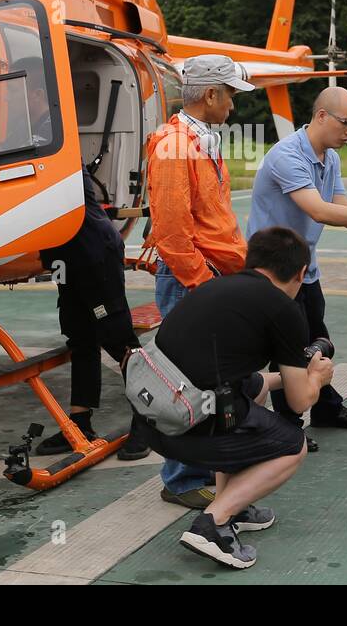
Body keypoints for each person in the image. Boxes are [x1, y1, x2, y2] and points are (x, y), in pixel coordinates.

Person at [141, 226, 334, 569]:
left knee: (249, 392)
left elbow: (245, 380)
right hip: (188, 428)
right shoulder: (283, 309)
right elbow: (301, 401)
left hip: (152, 421)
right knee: (292, 444)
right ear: (301, 272)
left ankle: (234, 505)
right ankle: (212, 523)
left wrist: (286, 378)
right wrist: (315, 377)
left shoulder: (216, 287)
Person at [247, 87, 347, 440]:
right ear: (321, 116)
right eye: (346, 122)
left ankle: (325, 408)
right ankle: (287, 426)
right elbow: (319, 210)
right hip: (275, 272)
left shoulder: (329, 157)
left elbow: (342, 208)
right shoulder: (287, 155)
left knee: (317, 339)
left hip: (304, 267)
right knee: (288, 348)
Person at [145, 54, 253, 510]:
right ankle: (184, 478)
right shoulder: (175, 145)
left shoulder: (197, 140)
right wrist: (203, 284)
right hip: (195, 279)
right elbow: (172, 232)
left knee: (207, 377)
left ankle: (197, 467)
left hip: (207, 277)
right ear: (211, 94)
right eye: (230, 95)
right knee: (188, 380)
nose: (233, 105)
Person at [34, 167, 150, 462]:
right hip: (66, 258)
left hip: (93, 252)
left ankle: (148, 419)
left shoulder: (55, 150)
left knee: (118, 339)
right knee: (81, 339)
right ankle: (80, 423)